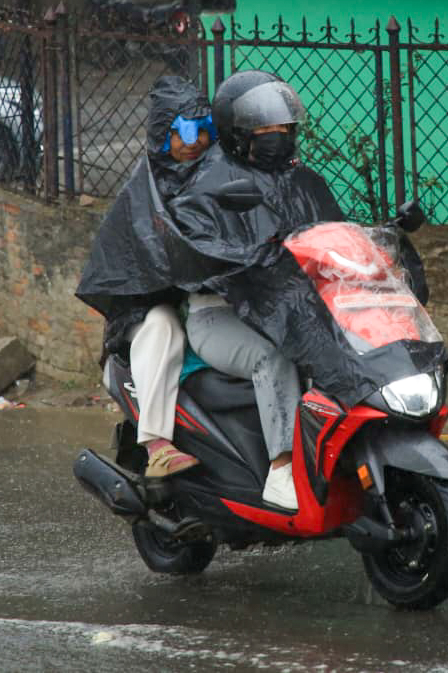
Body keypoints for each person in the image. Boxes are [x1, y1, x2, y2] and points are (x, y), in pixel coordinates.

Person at [180, 70, 344, 512]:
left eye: (282, 129)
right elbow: (202, 244)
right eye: (264, 130)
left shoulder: (303, 180)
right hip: (221, 314)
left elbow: (335, 234)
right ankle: (282, 468)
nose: (276, 137)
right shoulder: (212, 180)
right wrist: (250, 255)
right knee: (275, 356)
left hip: (285, 306)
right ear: (238, 134)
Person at [98, 76, 215, 477]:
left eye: (204, 129)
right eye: (185, 131)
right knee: (163, 327)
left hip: (210, 303)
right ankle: (158, 447)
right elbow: (136, 258)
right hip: (146, 308)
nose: (196, 140)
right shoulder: (143, 190)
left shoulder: (219, 176)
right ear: (164, 134)